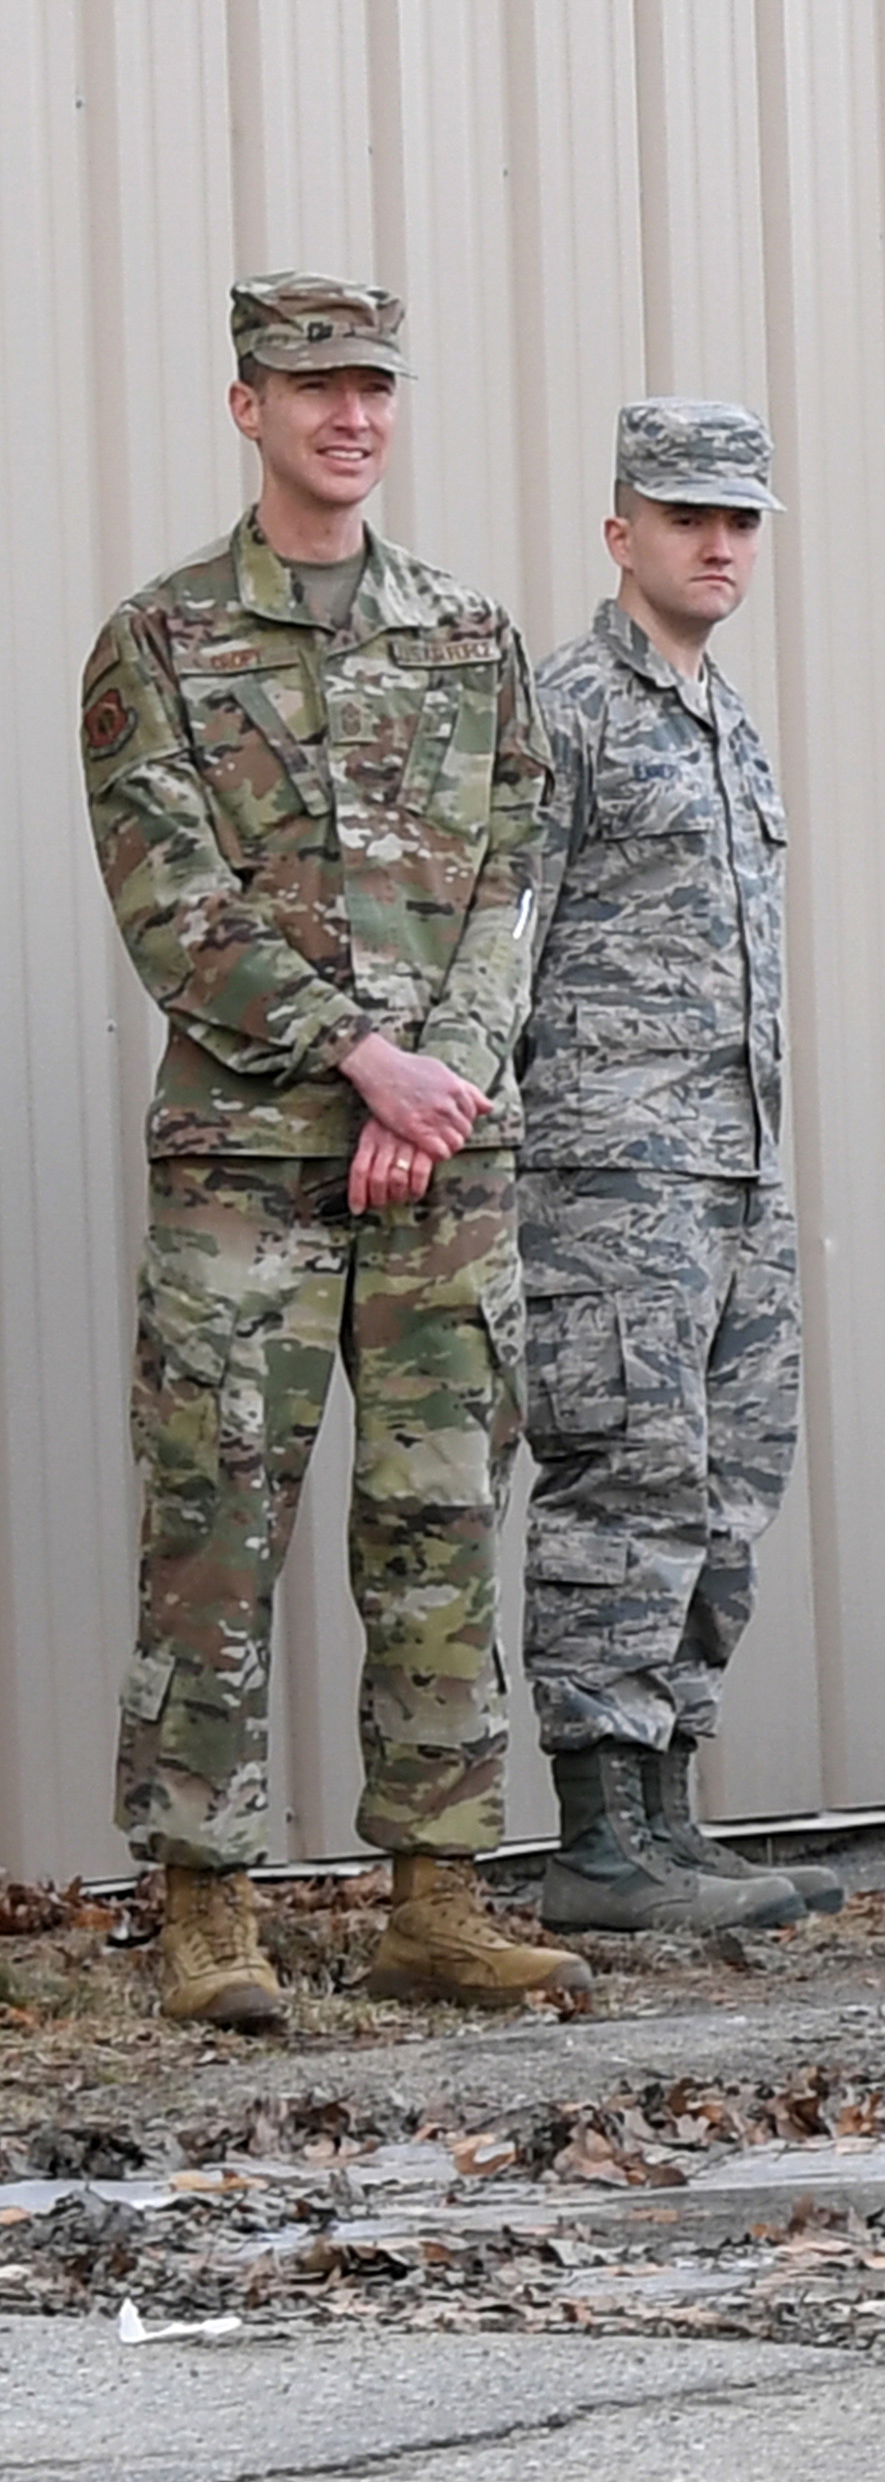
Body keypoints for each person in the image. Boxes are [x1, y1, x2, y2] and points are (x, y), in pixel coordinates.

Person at [79, 276, 587, 2026]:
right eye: (312, 389)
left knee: (438, 1517)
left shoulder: (470, 634)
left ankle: (436, 1896)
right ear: (249, 409)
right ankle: (205, 1909)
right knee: (216, 1525)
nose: (347, 416)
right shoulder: (158, 644)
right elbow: (172, 902)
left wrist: (438, 1080)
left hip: (448, 1164)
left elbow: (519, 876)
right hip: (249, 1156)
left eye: (371, 385)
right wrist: (358, 1062)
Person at [509, 400, 835, 1940]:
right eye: (687, 514)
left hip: (736, 1169)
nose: (718, 543)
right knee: (624, 1480)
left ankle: (671, 1812)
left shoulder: (728, 717)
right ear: (619, 528)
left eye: (742, 520)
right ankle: (596, 1836)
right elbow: (501, 939)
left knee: (723, 1488)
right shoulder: (563, 707)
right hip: (605, 1175)